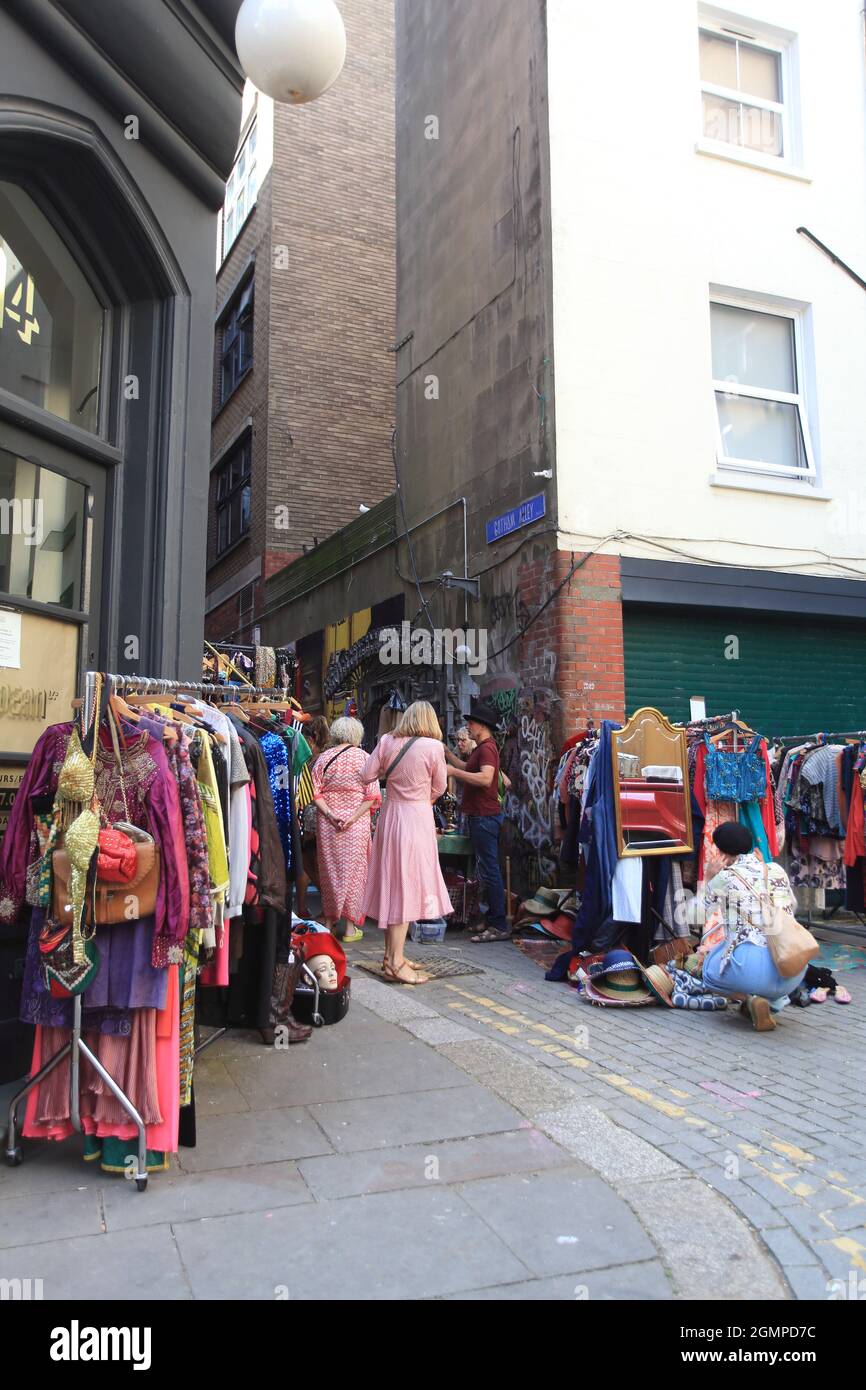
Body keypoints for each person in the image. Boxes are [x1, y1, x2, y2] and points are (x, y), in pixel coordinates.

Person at [359, 700, 453, 985]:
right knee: (407, 885)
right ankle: (397, 961)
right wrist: (421, 796)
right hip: (416, 818)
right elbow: (440, 787)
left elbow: (366, 775)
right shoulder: (434, 747)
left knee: (394, 883)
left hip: (390, 817)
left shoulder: (387, 740)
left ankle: (390, 956)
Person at [701, 821, 807, 1031]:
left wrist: (709, 877)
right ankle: (773, 1002)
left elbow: (699, 911)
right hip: (793, 964)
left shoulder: (725, 877)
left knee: (708, 972)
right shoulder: (775, 869)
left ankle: (751, 1000)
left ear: (721, 852)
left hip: (750, 967)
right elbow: (792, 906)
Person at [445, 700, 509, 943]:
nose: (468, 726)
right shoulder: (480, 749)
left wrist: (453, 772)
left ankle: (499, 924)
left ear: (482, 725)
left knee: (490, 871)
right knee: (485, 870)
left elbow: (485, 778)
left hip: (485, 816)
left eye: (471, 723)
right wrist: (449, 755)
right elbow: (467, 767)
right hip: (479, 816)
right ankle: (491, 918)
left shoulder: (487, 749)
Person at [312, 716, 380, 943]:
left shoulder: (324, 758)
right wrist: (352, 818)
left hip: (328, 824)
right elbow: (372, 796)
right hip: (356, 825)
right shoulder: (365, 758)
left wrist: (331, 814)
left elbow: (315, 793)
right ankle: (350, 928)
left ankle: (329, 923)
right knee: (355, 873)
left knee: (330, 871)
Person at [295, 714, 331, 918]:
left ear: (312, 738)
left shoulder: (312, 759)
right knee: (312, 864)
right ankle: (320, 909)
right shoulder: (323, 758)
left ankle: (312, 908)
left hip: (310, 817)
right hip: (317, 816)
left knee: (309, 864)